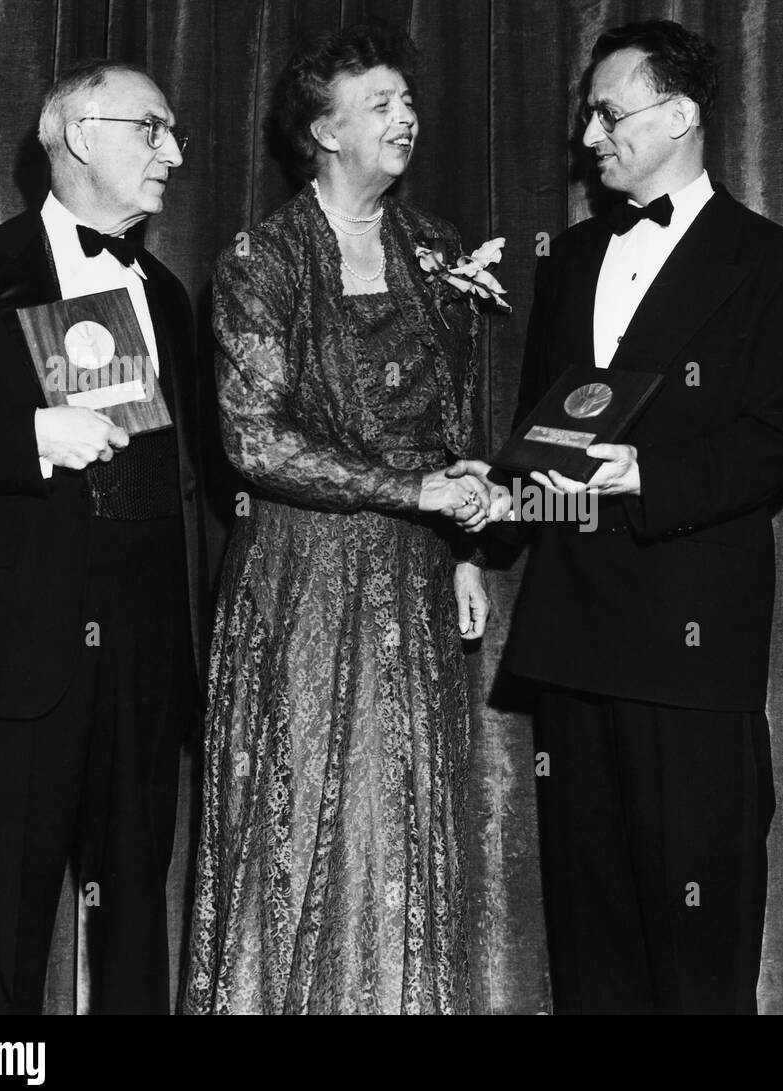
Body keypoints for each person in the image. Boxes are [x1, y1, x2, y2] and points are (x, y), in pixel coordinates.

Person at [453, 19, 783, 1014]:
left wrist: (645, 473)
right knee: (593, 933)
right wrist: (484, 529)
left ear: (682, 115)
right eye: (588, 113)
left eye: (609, 113)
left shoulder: (777, 265)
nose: (587, 135)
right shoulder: (570, 257)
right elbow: (541, 432)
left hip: (687, 640)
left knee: (697, 938)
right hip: (572, 635)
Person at [182, 22, 495, 1015]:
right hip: (299, 581)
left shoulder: (438, 246)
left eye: (407, 102)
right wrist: (414, 494)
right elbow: (255, 443)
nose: (406, 120)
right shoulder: (257, 261)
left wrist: (463, 549)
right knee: (295, 815)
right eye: (379, 106)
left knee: (397, 818)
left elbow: (451, 418)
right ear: (323, 130)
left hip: (409, 576)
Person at [0, 59, 206, 1013]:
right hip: (21, 646)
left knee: (136, 910)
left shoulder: (165, 291)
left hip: (146, 653)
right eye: (152, 129)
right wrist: (35, 434)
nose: (176, 153)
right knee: (3, 911)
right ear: (80, 135)